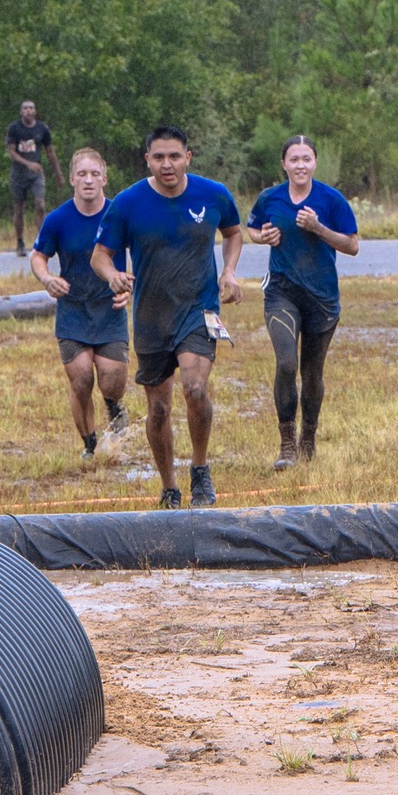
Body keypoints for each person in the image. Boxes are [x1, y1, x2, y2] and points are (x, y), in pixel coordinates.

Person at [91, 126, 243, 509]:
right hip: (151, 317)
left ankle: (200, 470)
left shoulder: (213, 194)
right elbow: (100, 256)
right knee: (158, 409)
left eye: (174, 156)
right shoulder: (127, 203)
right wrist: (113, 276)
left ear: (187, 157)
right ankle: (169, 487)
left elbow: (233, 233)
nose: (167, 164)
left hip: (199, 309)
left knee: (195, 388)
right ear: (147, 160)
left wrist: (229, 271)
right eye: (158, 157)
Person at [246, 135, 359, 470]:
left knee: (311, 374)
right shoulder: (270, 197)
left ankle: (308, 438)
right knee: (286, 364)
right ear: (284, 164)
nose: (300, 165)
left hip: (321, 298)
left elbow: (353, 246)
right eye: (294, 159)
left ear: (315, 163)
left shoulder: (331, 199)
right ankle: (287, 445)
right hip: (281, 292)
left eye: (306, 159)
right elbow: (253, 229)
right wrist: (263, 237)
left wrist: (319, 228)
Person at [30, 147, 131, 459]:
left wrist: (130, 286)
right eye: (82, 174)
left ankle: (114, 405)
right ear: (72, 179)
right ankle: (91, 446)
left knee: (111, 379)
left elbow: (143, 252)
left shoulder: (118, 215)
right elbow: (38, 256)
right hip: (73, 311)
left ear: (104, 179)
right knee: (82, 378)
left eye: (95, 174)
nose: (89, 180)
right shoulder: (57, 219)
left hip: (110, 310)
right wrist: (47, 279)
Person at [5, 99, 63, 255]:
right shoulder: (14, 129)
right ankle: (20, 242)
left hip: (36, 174)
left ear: (35, 111)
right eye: (25, 108)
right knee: (19, 209)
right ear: (21, 111)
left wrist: (58, 173)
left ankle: (41, 243)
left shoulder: (42, 129)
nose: (28, 111)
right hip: (18, 174)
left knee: (40, 205)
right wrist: (27, 163)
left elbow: (50, 151)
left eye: (31, 108)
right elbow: (11, 152)